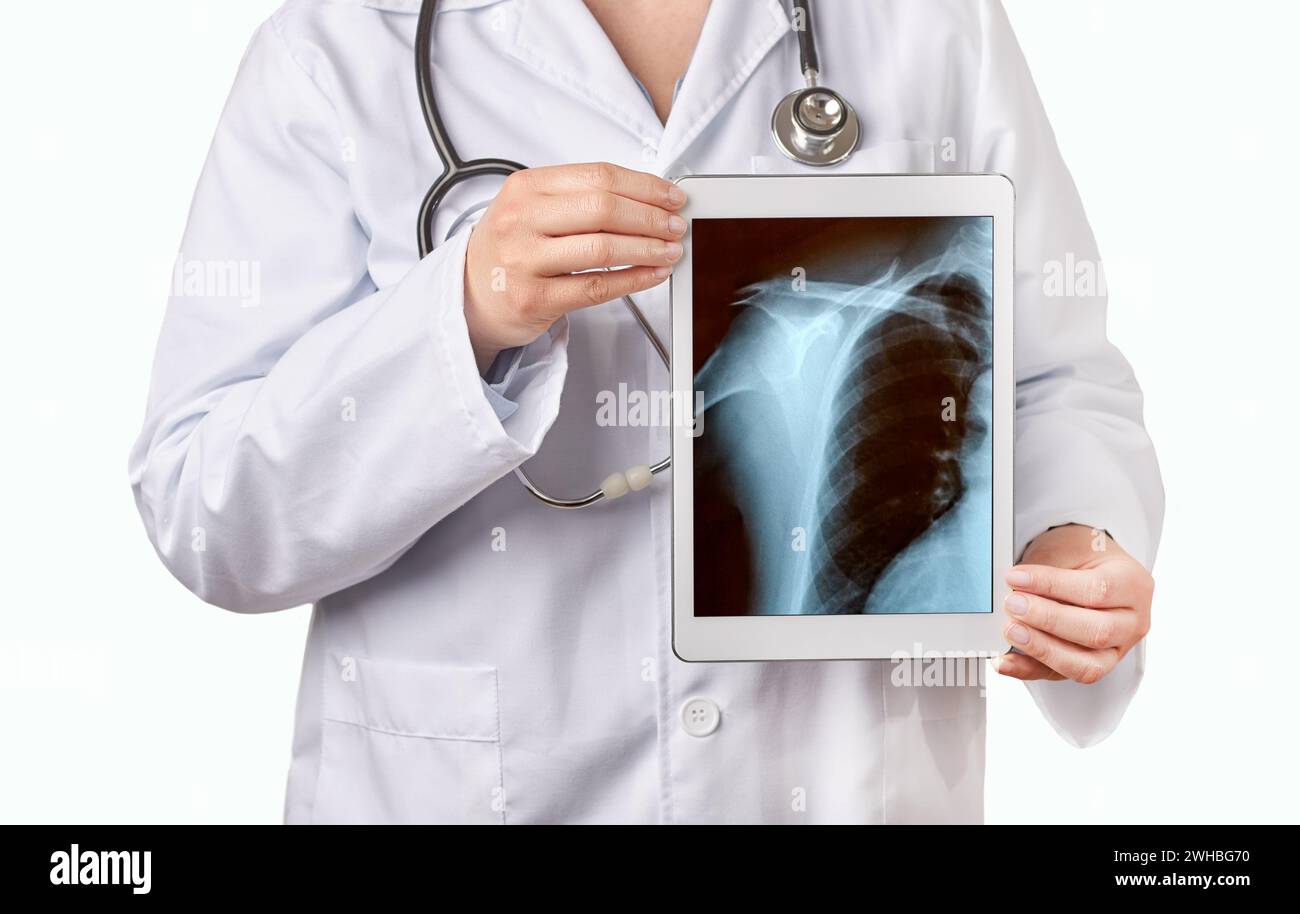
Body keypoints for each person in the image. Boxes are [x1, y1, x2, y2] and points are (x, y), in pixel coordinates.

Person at [129, 0, 1161, 824]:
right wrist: (460, 313)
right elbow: (205, 503)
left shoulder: (927, 23)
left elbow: (1051, 376)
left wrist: (1072, 533)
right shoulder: (340, 48)